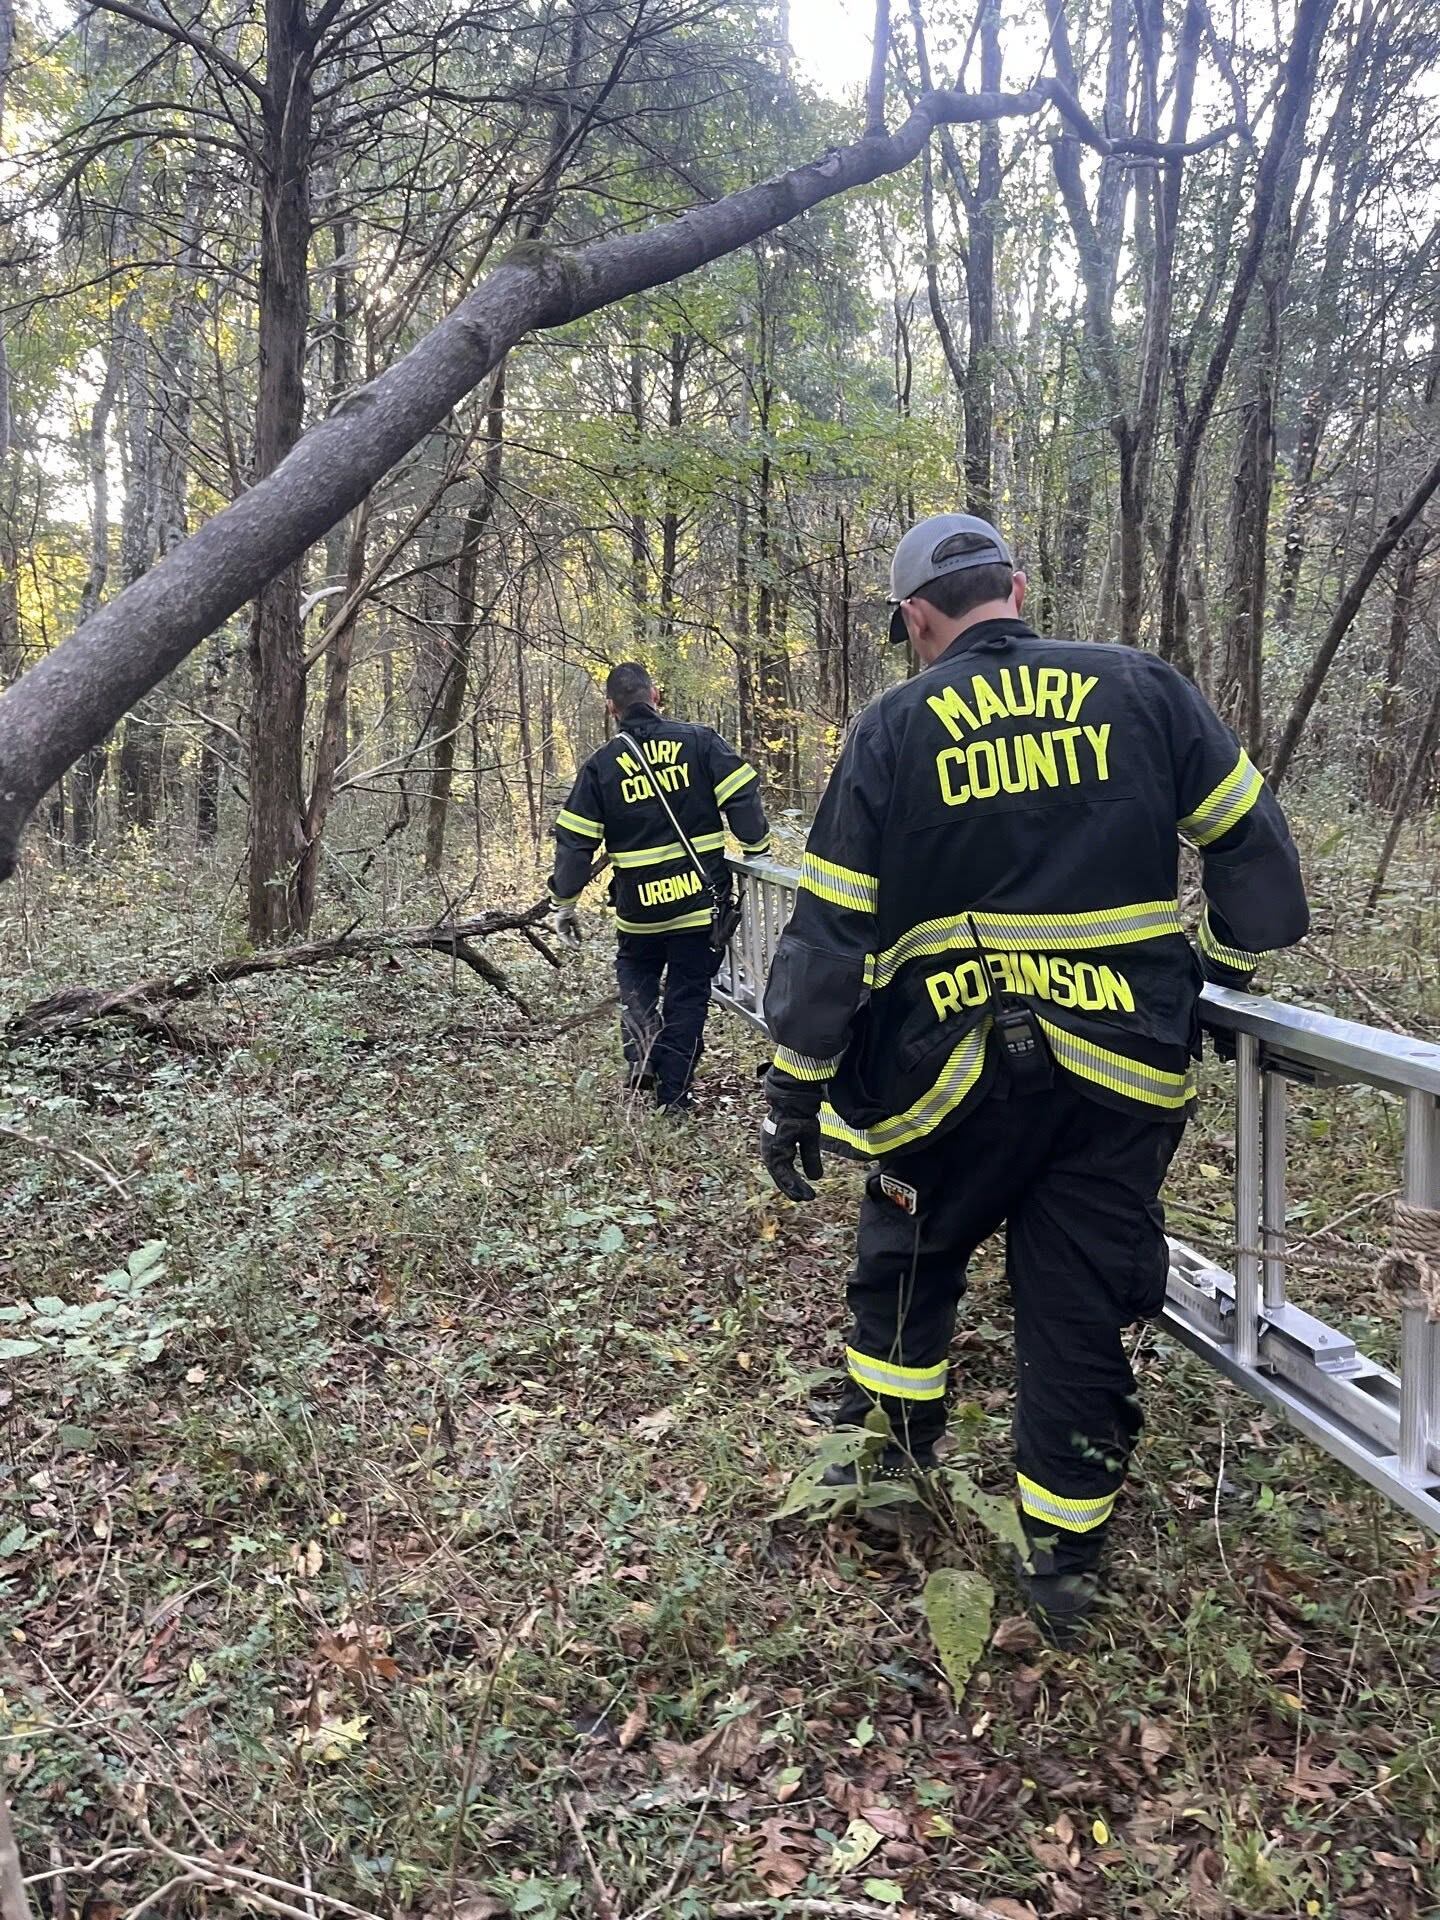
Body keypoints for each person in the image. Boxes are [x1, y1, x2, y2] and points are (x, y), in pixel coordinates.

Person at [759, 513, 1309, 1640]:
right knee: (1079, 1305)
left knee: (908, 1259)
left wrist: (794, 1088)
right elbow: (1257, 850)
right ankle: (1063, 1564)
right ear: (1014, 585)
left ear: (916, 617)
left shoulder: (896, 727)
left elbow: (830, 931)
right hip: (1120, 1079)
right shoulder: (1145, 689)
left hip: (943, 1079)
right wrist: (1225, 972)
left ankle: (892, 1468)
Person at [549, 662, 771, 1112]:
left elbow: (575, 845)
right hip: (699, 907)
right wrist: (757, 848)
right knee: (689, 995)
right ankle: (675, 1095)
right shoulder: (700, 741)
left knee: (636, 974)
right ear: (656, 696)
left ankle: (643, 1051)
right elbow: (743, 797)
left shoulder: (601, 767)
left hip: (639, 912)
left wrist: (564, 903)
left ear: (611, 708)